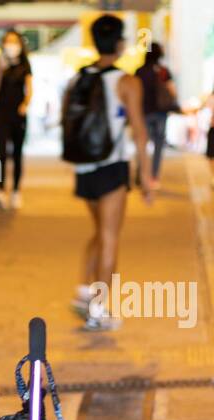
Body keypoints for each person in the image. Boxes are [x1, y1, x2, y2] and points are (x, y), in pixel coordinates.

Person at [67, 14, 152, 332]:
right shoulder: (127, 81)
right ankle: (98, 310)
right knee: (110, 237)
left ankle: (83, 293)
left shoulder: (80, 77)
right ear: (119, 43)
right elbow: (140, 131)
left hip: (84, 167)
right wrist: (146, 176)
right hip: (112, 167)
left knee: (100, 230)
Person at [0, 29, 32, 210]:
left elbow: (30, 88)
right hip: (1, 113)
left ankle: (16, 190)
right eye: (8, 41)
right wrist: (0, 70)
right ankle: (0, 190)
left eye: (14, 41)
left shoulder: (25, 64)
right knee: (0, 155)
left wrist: (25, 103)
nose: (11, 45)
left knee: (17, 154)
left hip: (19, 114)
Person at [134, 43, 175, 189]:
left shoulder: (139, 71)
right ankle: (153, 176)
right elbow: (172, 91)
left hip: (143, 113)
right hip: (161, 113)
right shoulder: (163, 71)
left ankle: (140, 174)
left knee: (142, 144)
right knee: (158, 146)